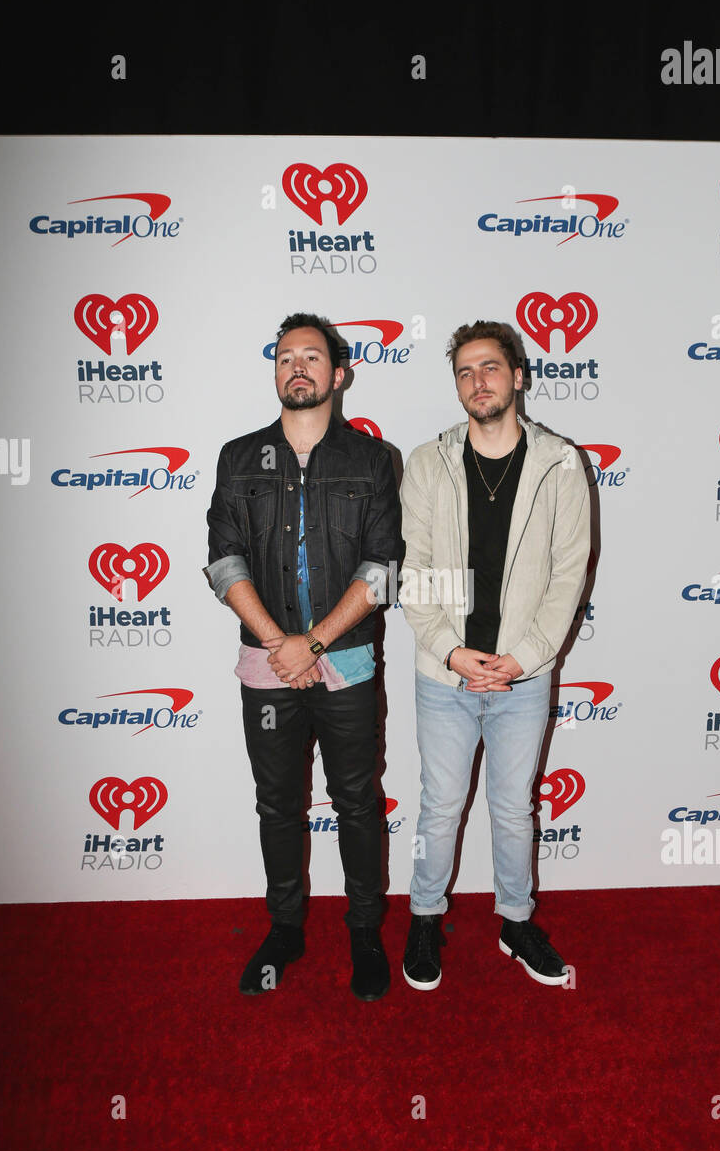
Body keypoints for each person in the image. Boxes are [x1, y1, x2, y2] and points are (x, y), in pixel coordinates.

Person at [204, 312, 404, 1001]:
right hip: (267, 668)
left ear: (339, 374)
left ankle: (365, 932)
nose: (297, 367)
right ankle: (285, 929)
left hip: (345, 662)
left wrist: (311, 644)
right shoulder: (239, 458)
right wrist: (278, 644)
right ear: (276, 372)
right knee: (277, 804)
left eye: (312, 357)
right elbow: (224, 560)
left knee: (356, 801)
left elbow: (382, 569)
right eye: (286, 356)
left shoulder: (373, 461)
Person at [399, 320, 590, 989]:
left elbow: (569, 575)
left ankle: (515, 920)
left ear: (518, 374)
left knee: (514, 808)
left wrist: (524, 657)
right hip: (443, 675)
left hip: (522, 679)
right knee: (439, 807)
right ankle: (425, 917)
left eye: (489, 367)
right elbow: (412, 569)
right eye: (464, 372)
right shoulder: (429, 462)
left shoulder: (562, 463)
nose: (477, 382)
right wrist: (451, 652)